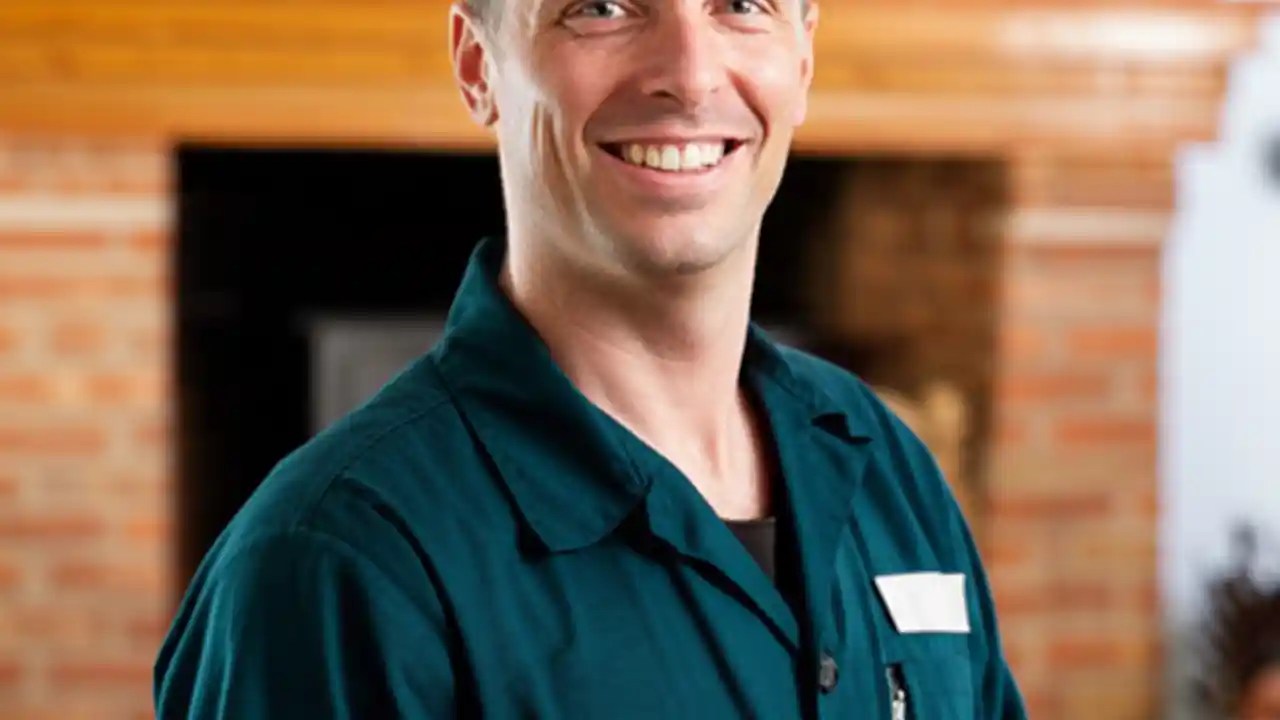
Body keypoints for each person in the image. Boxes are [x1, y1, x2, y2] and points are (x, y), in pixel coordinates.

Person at [153, 0, 1028, 718]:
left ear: (802, 58)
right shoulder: (334, 567)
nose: (688, 73)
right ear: (477, 64)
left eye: (741, 6)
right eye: (601, 9)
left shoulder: (882, 459)